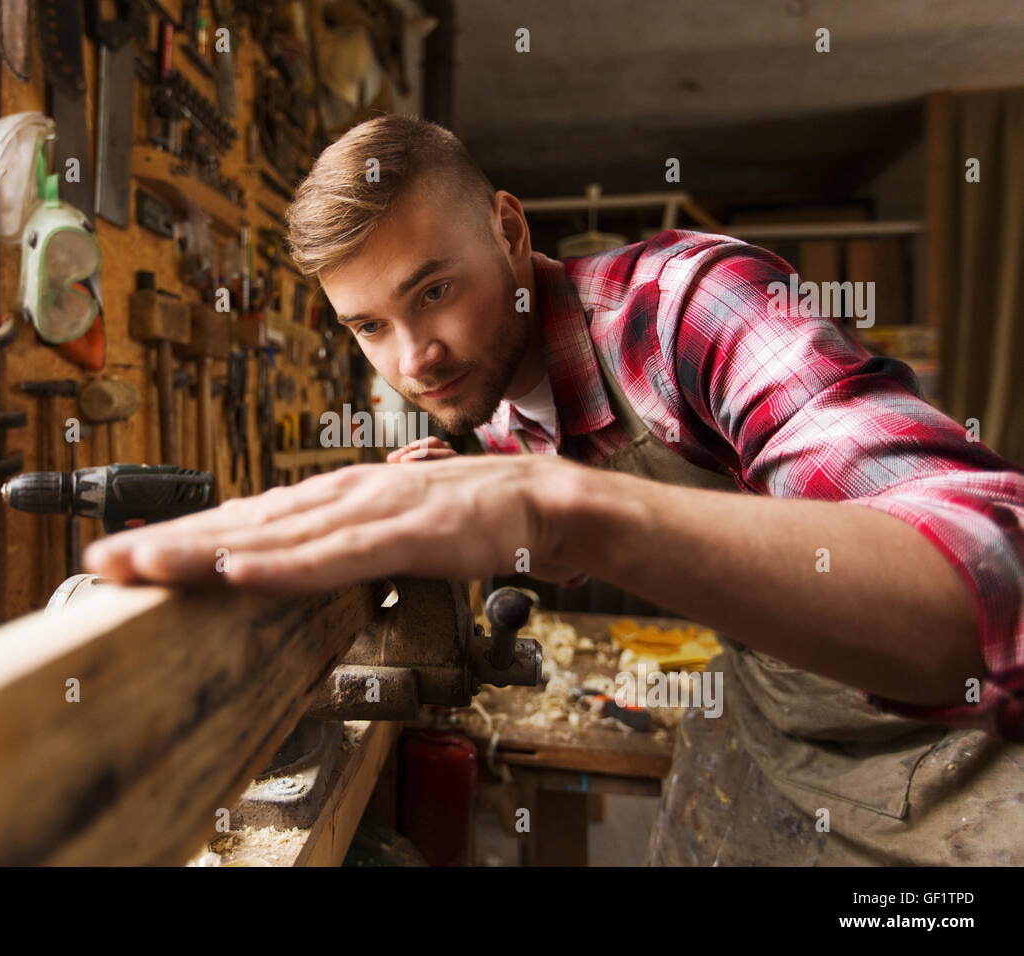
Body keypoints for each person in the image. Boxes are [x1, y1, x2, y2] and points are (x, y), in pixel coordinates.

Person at [83, 114, 1024, 864]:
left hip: (957, 759)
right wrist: (486, 507)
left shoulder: (691, 307)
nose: (416, 358)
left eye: (435, 291)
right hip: (777, 724)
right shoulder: (490, 404)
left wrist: (558, 513)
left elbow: (992, 565)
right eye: (370, 327)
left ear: (508, 227)